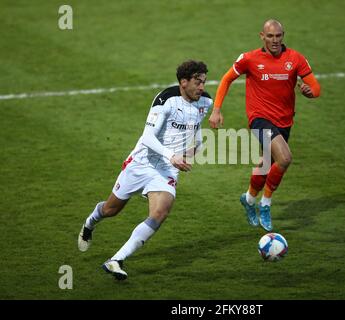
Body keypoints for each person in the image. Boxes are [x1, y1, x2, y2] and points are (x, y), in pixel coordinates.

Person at [78, 60, 212, 280]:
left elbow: (195, 128)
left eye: (204, 82)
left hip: (167, 169)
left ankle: (116, 260)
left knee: (160, 212)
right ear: (183, 82)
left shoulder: (205, 102)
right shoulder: (165, 100)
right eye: (197, 82)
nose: (202, 87)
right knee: (111, 210)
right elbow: (147, 137)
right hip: (141, 162)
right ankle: (90, 222)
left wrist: (196, 147)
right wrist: (172, 155)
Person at [209, 19, 321, 232]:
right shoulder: (249, 59)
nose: (275, 40)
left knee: (267, 162)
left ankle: (249, 200)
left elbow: (315, 88)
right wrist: (216, 109)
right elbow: (226, 79)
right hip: (259, 119)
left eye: (278, 36)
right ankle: (265, 204)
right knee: (285, 158)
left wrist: (310, 92)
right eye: (270, 36)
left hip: (285, 120)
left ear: (283, 35)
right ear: (262, 36)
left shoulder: (295, 59)